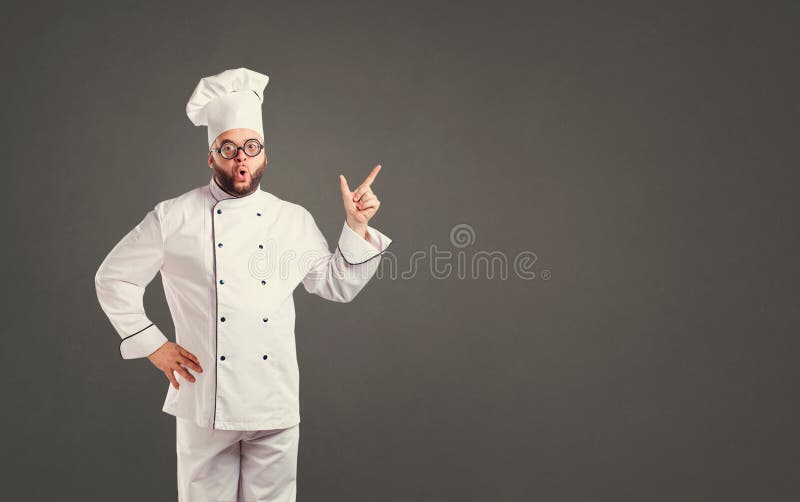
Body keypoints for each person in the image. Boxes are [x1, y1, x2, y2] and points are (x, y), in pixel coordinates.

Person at [94, 67, 391, 502]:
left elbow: (336, 284)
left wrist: (356, 227)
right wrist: (151, 344)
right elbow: (114, 277)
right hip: (204, 402)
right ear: (211, 156)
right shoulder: (173, 217)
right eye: (228, 148)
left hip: (273, 400)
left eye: (251, 147)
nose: (241, 159)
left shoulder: (292, 219)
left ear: (265, 155)